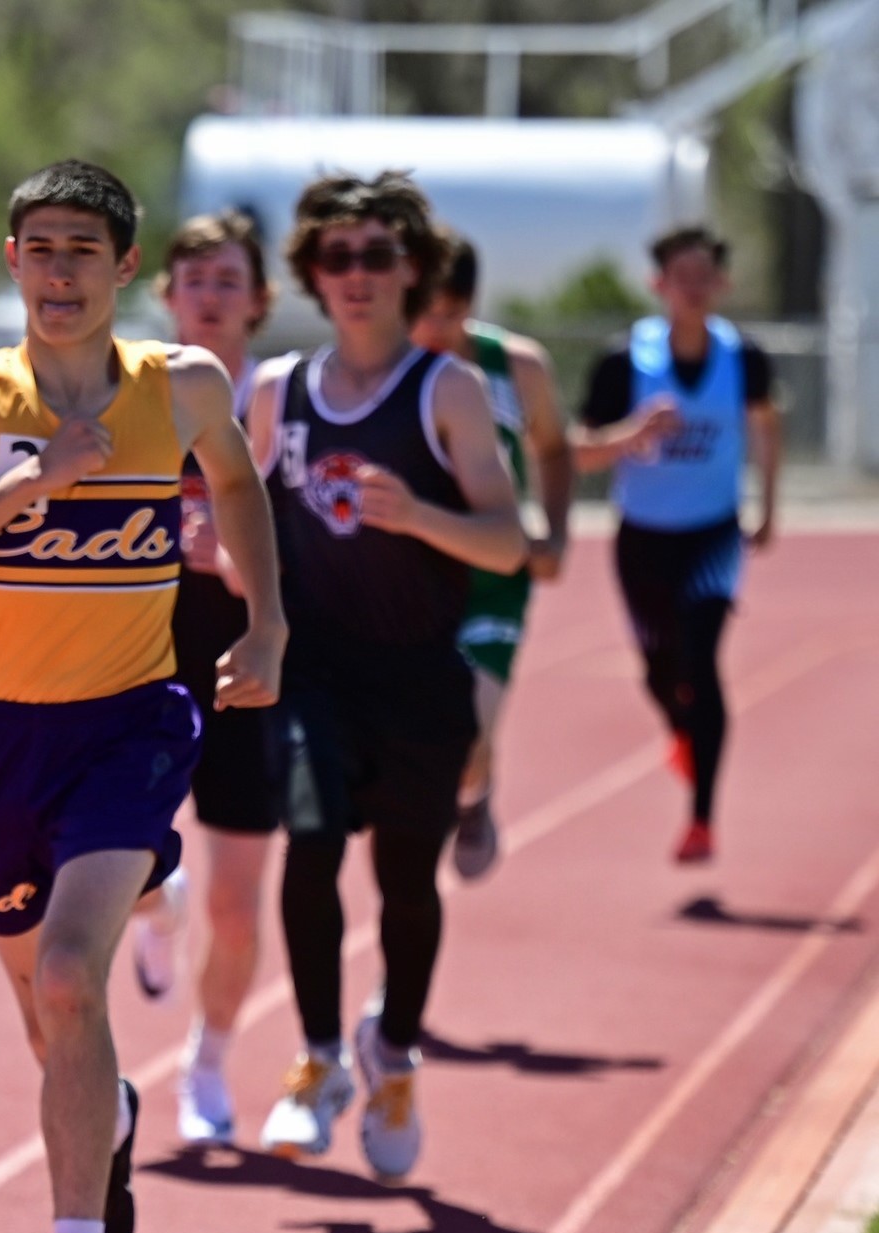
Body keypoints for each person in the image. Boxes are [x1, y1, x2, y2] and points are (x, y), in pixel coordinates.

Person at [0, 161, 285, 1233]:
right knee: (44, 1008)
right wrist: (30, 486)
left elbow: (237, 482)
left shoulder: (180, 386)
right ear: (10, 260)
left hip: (131, 721)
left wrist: (266, 619)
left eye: (83, 249)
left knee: (72, 974)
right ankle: (107, 1114)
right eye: (38, 246)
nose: (58, 269)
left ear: (126, 269)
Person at [243, 172, 526, 1180]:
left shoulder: (444, 388)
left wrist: (419, 516)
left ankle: (392, 1047)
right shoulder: (278, 390)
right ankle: (319, 1057)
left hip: (418, 674)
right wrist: (226, 569)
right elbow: (244, 524)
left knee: (406, 882)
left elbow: (509, 541)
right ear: (312, 273)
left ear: (412, 268)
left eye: (375, 256)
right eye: (336, 257)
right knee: (309, 844)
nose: (354, 276)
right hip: (316, 669)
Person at [129, 210, 285, 1149]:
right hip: (143, 656)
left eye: (230, 280)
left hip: (245, 662)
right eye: (195, 279)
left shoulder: (278, 397)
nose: (212, 296)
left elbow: (283, 543)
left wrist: (227, 560)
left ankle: (211, 1060)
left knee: (236, 898)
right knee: (131, 853)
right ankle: (156, 907)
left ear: (259, 300)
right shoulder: (135, 391)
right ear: (167, 295)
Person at [570, 225, 781, 864]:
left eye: (703, 277)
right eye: (679, 277)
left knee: (702, 659)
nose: (692, 289)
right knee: (662, 675)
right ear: (658, 285)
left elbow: (768, 428)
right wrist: (632, 432)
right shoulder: (623, 361)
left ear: (722, 284)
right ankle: (682, 731)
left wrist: (769, 507)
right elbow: (580, 455)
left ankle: (702, 821)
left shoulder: (744, 357)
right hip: (642, 538)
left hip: (714, 534)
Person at [410, 232, 573, 879]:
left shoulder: (517, 367)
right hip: (409, 581)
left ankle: (474, 794)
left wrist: (556, 533)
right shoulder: (385, 368)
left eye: (449, 313)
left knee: (469, 740)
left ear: (471, 304)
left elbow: (555, 449)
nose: (435, 329)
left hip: (492, 580)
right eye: (424, 311)